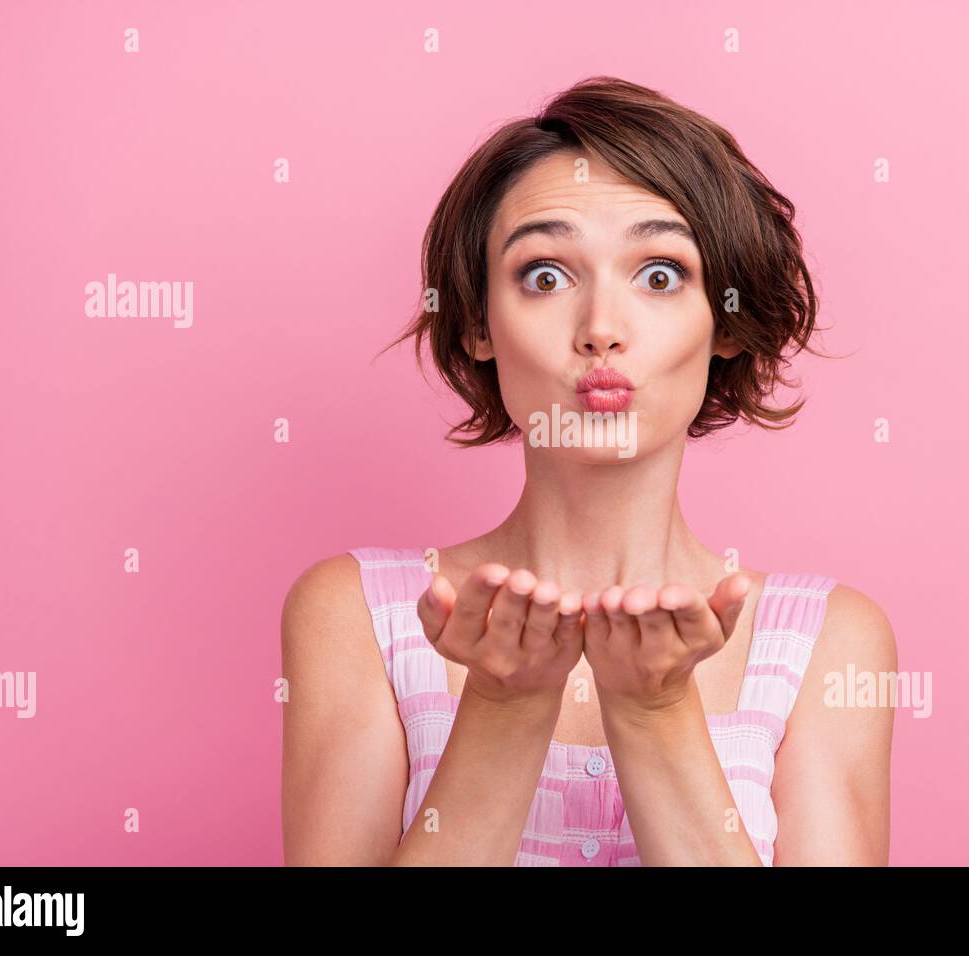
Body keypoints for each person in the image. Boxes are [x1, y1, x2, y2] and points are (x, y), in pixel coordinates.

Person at [281, 76, 895, 866]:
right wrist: (504, 705)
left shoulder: (829, 642)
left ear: (727, 325)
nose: (601, 329)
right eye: (545, 275)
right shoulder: (355, 615)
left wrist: (654, 710)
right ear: (477, 325)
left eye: (660, 275)